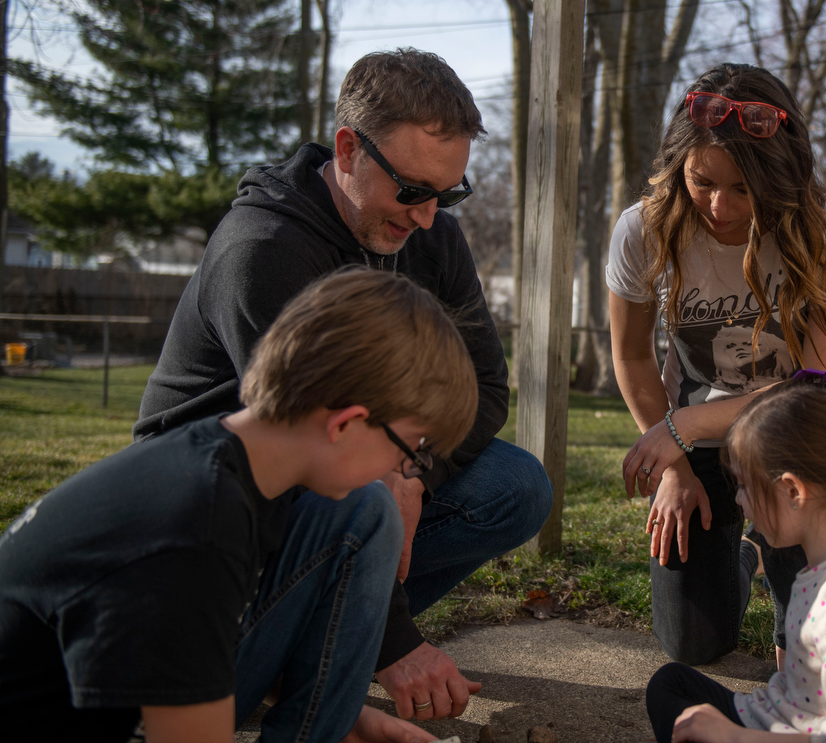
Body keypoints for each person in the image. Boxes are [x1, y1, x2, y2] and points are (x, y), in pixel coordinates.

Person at [135, 48, 552, 720]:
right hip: (218, 515)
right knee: (361, 495)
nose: (427, 216)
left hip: (348, 465)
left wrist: (411, 471)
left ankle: (314, 641)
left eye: (447, 194)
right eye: (412, 190)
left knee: (515, 487)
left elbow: (484, 388)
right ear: (349, 149)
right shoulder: (264, 249)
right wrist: (398, 644)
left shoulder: (433, 238)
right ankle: (293, 650)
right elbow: (309, 445)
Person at [0, 268, 478, 743]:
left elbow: (193, 647)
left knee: (363, 509)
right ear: (345, 424)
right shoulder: (196, 525)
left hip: (119, 697)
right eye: (411, 450)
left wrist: (355, 723)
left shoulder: (230, 464)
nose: (404, 468)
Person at [606, 63, 826, 667]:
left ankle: (799, 571)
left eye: (744, 189)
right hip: (693, 444)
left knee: (808, 659)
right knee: (692, 646)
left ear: (781, 175)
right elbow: (631, 353)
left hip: (793, 440)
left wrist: (683, 425)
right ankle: (748, 553)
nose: (719, 206)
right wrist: (674, 468)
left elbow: (823, 387)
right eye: (701, 182)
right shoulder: (642, 229)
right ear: (678, 164)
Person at [644, 373, 826, 743]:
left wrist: (734, 737)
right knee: (672, 683)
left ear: (792, 491)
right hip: (794, 720)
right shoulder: (821, 570)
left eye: (744, 485)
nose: (737, 499)